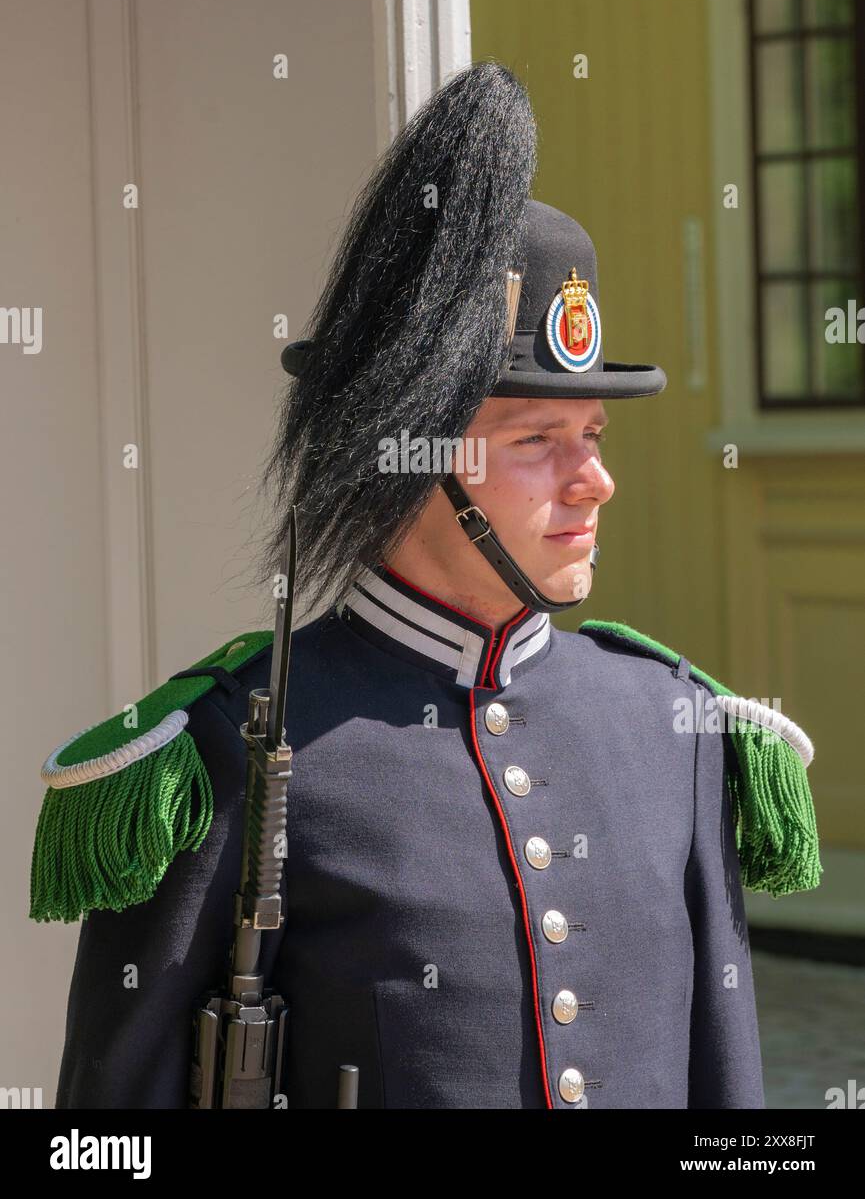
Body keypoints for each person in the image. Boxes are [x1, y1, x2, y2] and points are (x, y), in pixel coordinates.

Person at [31, 62, 820, 1110]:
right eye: (538, 438)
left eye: (592, 433)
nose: (596, 479)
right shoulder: (229, 750)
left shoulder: (673, 726)